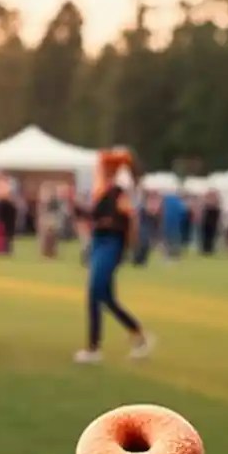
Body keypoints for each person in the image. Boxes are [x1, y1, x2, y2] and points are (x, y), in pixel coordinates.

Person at [74, 150, 153, 364]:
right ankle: (137, 335)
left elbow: (129, 219)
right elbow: (94, 217)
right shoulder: (103, 192)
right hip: (100, 242)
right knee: (105, 296)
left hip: (111, 243)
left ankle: (94, 347)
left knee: (96, 290)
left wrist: (130, 245)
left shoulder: (119, 192)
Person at [0, 178, 17, 256]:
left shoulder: (5, 187)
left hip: (5, 218)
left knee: (5, 233)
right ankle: (1, 249)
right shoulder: (1, 187)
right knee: (2, 232)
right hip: (3, 218)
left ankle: (4, 249)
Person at [161, 191, 187, 261]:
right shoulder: (178, 202)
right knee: (175, 240)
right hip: (176, 223)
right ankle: (176, 256)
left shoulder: (166, 200)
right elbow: (183, 212)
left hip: (166, 222)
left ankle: (167, 256)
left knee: (167, 240)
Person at [199, 190, 222, 256]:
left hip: (213, 224)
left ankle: (210, 250)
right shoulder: (206, 206)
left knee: (211, 237)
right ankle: (205, 250)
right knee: (205, 237)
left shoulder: (216, 208)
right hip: (206, 224)